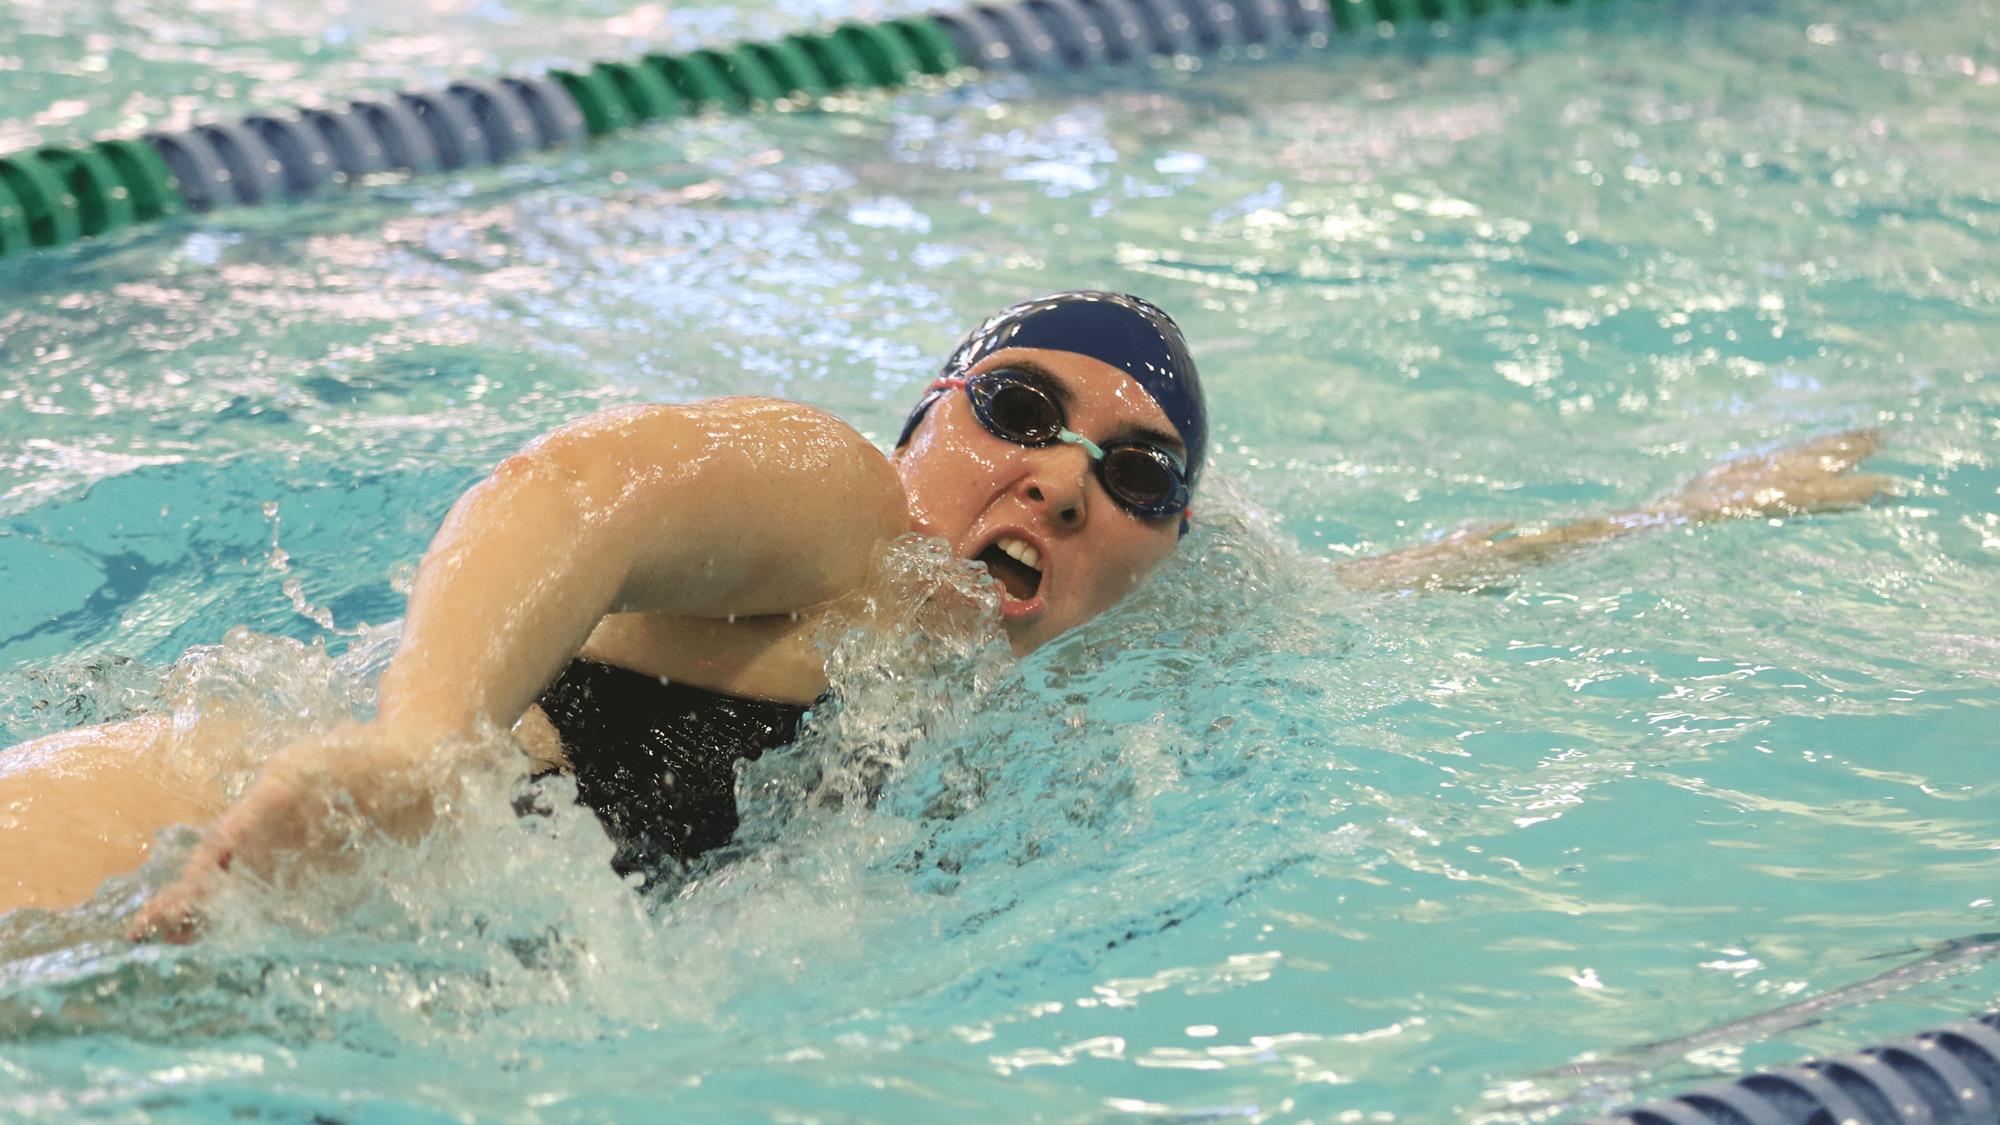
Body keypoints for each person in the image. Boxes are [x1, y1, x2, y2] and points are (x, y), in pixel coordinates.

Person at [0, 291, 1889, 939]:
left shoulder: (1082, 643)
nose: (1061, 477)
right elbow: (569, 492)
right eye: (1020, 410)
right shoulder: (844, 518)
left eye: (1136, 473)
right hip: (193, 810)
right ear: (927, 429)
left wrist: (1682, 513)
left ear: (1163, 548)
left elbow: (1392, 581)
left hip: (328, 920)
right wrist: (421, 752)